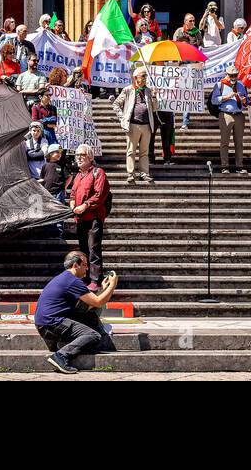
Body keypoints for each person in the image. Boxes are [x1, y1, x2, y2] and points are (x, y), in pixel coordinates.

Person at [35, 252, 119, 374]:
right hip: (52, 324)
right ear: (75, 265)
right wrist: (113, 284)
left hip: (45, 325)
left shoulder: (64, 278)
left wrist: (103, 289)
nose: (87, 268)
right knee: (93, 336)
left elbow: (89, 304)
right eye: (85, 265)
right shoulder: (72, 281)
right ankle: (61, 356)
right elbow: (98, 302)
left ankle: (64, 344)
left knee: (89, 314)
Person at [69, 146, 110, 287]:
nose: (79, 157)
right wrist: (73, 203)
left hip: (93, 217)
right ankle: (85, 277)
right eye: (77, 155)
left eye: (82, 155)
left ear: (90, 157)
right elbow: (73, 193)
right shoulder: (78, 175)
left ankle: (95, 279)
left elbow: (100, 195)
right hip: (80, 218)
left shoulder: (98, 173)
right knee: (83, 250)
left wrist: (85, 205)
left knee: (93, 248)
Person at [113, 66, 158, 184]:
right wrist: (122, 118)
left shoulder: (148, 90)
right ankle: (131, 173)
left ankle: (144, 173)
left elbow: (154, 109)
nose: (144, 79)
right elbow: (116, 104)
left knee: (144, 152)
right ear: (135, 78)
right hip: (133, 124)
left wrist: (154, 96)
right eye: (142, 76)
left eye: (145, 76)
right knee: (131, 151)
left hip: (146, 125)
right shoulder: (128, 89)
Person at [210, 63, 249, 175]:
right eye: (231, 75)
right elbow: (214, 100)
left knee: (239, 142)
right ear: (226, 75)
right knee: (224, 142)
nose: (233, 77)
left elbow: (247, 100)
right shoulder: (220, 85)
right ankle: (225, 166)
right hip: (225, 114)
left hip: (239, 114)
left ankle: (239, 166)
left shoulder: (241, 85)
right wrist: (227, 97)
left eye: (235, 75)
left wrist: (244, 100)